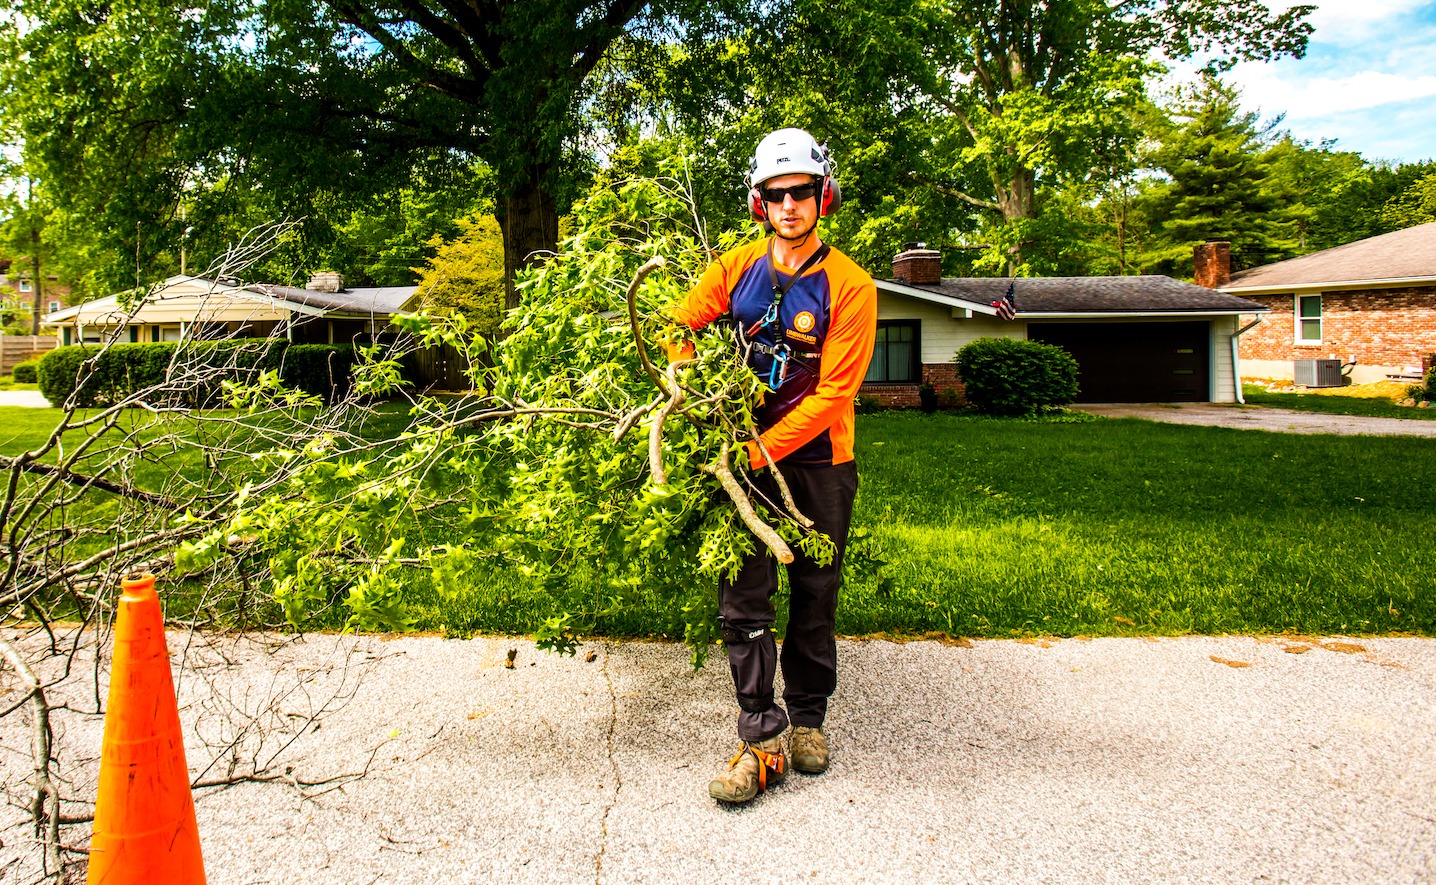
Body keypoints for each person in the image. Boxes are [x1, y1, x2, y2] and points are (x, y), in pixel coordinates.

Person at [668, 128, 878, 804]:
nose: (790, 205)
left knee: (816, 592)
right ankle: (760, 732)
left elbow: (833, 393)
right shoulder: (735, 268)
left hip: (819, 460)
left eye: (802, 192)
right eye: (776, 194)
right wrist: (688, 378)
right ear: (759, 202)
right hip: (741, 456)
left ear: (824, 194)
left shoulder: (851, 285)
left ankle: (809, 719)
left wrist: (761, 449)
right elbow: (679, 322)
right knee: (743, 598)